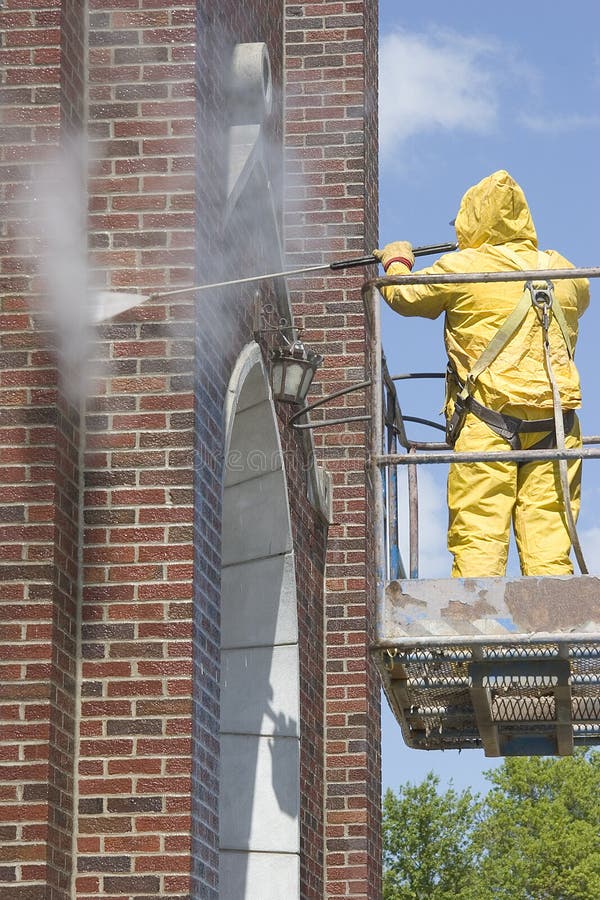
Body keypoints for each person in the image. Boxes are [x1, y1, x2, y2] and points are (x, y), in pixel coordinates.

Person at [373, 169, 590, 578]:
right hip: (558, 427)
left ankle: (473, 637)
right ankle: (548, 633)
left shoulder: (466, 267)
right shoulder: (565, 272)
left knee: (479, 536)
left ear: (474, 218)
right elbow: (579, 303)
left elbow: (403, 296)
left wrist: (397, 259)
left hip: (488, 423)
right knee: (550, 538)